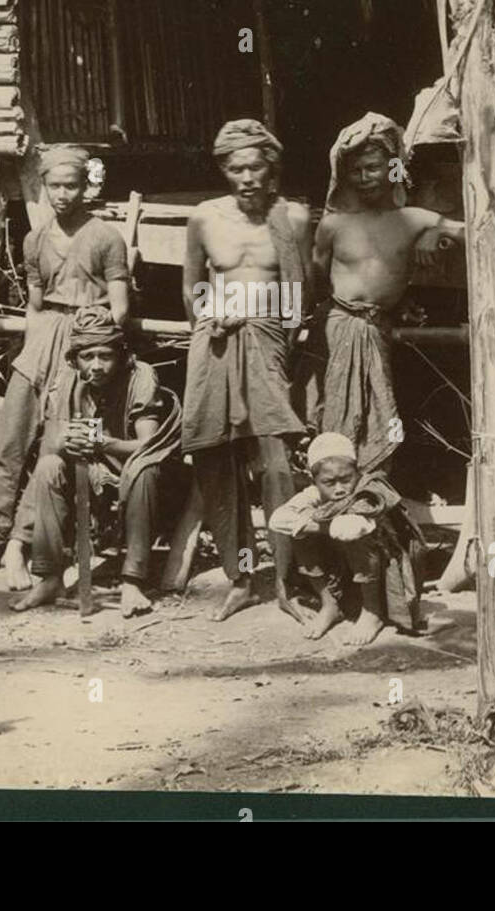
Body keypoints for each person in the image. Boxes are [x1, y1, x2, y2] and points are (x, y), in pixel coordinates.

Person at [0, 146, 131, 589]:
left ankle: (21, 545)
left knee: (56, 446)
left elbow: (121, 308)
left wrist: (90, 345)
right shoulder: (35, 240)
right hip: (42, 338)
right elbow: (34, 304)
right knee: (5, 441)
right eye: (54, 186)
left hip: (85, 341)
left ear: (85, 187)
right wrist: (34, 350)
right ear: (44, 186)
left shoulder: (105, 237)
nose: (63, 194)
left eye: (71, 185)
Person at [182, 119, 311, 623]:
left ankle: (285, 579)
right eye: (237, 169)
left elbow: (300, 292)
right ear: (224, 170)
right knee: (216, 459)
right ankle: (241, 579)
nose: (247, 178)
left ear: (271, 168)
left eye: (256, 167)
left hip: (267, 341)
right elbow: (192, 287)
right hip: (215, 343)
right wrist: (211, 316)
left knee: (277, 462)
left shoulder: (292, 217)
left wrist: (262, 317)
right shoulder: (204, 218)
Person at [310, 113, 466, 471]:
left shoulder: (413, 220)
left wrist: (434, 234)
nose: (364, 178)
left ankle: (371, 491)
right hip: (335, 330)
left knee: (379, 419)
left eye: (373, 168)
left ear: (392, 169)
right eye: (355, 171)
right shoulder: (334, 224)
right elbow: (316, 281)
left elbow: (473, 229)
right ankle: (332, 493)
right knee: (329, 418)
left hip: (376, 330)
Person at [10, 308, 181, 617]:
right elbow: (56, 441)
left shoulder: (140, 376)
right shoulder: (69, 380)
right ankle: (50, 578)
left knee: (143, 470)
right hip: (94, 470)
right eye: (87, 357)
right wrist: (69, 441)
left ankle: (132, 581)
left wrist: (105, 443)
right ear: (75, 359)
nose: (97, 366)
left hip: (144, 475)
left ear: (121, 355)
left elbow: (148, 445)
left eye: (106, 356)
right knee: (49, 467)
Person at [268, 433, 424, 645]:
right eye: (329, 482)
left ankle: (372, 613)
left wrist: (315, 523)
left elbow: (352, 529)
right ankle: (330, 604)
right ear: (314, 480)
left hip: (378, 575)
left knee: (347, 533)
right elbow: (278, 519)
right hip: (342, 572)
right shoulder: (313, 493)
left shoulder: (369, 491)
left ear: (357, 473)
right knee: (299, 530)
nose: (339, 489)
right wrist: (317, 524)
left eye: (346, 479)